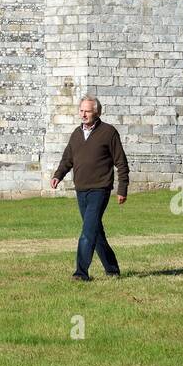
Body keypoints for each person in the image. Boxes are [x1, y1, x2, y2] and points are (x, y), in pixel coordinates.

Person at [51, 95, 128, 281]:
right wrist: (57, 175)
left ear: (97, 112)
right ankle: (112, 269)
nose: (83, 114)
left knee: (87, 231)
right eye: (81, 110)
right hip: (81, 190)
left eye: (87, 111)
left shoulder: (109, 132)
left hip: (100, 189)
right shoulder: (76, 134)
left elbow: (121, 163)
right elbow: (67, 158)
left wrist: (122, 189)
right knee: (95, 231)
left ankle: (81, 272)